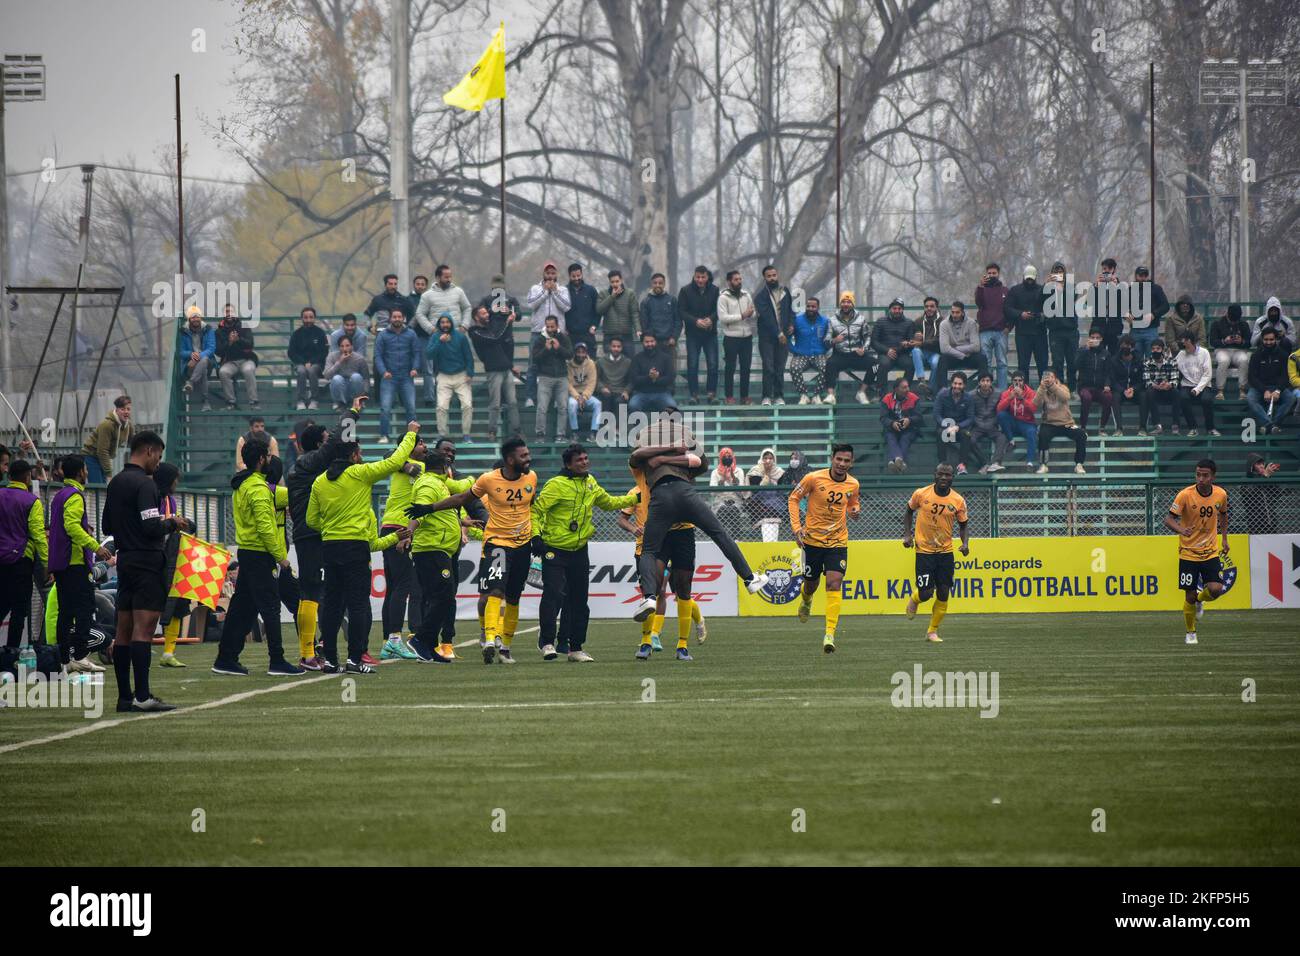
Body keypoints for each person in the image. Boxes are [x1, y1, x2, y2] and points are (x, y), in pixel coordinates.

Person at [628, 418, 768, 620]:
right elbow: (702, 463)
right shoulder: (683, 434)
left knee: (648, 550)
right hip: (685, 493)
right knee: (719, 534)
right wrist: (675, 449)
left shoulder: (645, 440)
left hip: (661, 497)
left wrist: (661, 458)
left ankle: (649, 597)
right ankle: (749, 578)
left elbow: (637, 456)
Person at [306, 423, 418, 673]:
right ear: (352, 455)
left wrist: (331, 528)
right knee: (357, 604)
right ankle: (355, 660)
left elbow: (312, 520)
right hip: (355, 548)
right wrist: (410, 433)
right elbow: (395, 462)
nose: (362, 456)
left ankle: (331, 660)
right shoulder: (360, 473)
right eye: (360, 452)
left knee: (333, 605)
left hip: (330, 547)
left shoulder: (319, 482)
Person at [420, 437, 538, 665]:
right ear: (510, 459)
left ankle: (505, 648)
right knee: (495, 592)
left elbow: (530, 508)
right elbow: (463, 499)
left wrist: (536, 534)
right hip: (497, 543)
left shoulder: (532, 478)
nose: (529, 458)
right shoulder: (488, 480)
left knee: (513, 598)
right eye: (523, 455)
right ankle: (490, 639)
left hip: (522, 546)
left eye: (528, 454)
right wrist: (429, 508)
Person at [100, 431, 192, 711]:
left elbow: (106, 526)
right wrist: (173, 522)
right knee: (145, 629)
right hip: (148, 562)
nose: (158, 463)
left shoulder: (116, 483)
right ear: (149, 451)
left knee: (124, 631)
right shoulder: (145, 485)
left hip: (126, 562)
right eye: (159, 456)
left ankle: (125, 697)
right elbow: (151, 527)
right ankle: (143, 696)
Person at [530, 443, 638, 662]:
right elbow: (536, 510)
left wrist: (636, 499)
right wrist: (536, 536)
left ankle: (575, 648)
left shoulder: (590, 482)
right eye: (580, 459)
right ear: (569, 463)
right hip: (554, 549)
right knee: (552, 595)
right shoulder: (555, 485)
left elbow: (608, 503)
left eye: (586, 458)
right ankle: (548, 643)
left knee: (579, 600)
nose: (585, 462)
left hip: (579, 550)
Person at [211, 439, 304, 676]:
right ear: (262, 459)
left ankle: (226, 658)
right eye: (269, 456)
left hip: (248, 553)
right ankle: (277, 660)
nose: (271, 459)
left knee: (242, 608)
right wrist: (281, 557)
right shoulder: (259, 489)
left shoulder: (243, 485)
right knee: (271, 607)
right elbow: (266, 529)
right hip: (260, 555)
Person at [286, 401, 364, 671]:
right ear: (318, 446)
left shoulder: (304, 467)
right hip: (311, 536)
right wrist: (352, 413)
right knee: (310, 591)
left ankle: (317, 647)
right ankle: (307, 654)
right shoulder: (310, 463)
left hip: (317, 536)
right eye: (324, 443)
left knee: (327, 592)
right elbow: (336, 441)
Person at [403, 442, 480, 663]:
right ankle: (420, 639)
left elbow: (460, 489)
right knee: (444, 596)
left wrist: (462, 520)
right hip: (431, 548)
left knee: (440, 596)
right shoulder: (428, 484)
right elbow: (419, 512)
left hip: (439, 548)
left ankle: (428, 646)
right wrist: (409, 533)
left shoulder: (439, 483)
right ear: (445, 468)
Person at [623, 452, 703, 658]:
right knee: (654, 586)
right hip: (658, 531)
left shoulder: (680, 468)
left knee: (683, 588)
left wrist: (672, 458)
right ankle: (646, 641)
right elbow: (635, 456)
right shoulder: (643, 472)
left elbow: (699, 461)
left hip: (683, 532)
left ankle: (682, 645)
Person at [789, 444, 860, 653]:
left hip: (838, 541)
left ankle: (829, 634)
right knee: (811, 585)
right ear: (832, 458)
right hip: (812, 541)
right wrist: (796, 528)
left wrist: (855, 510)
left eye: (847, 461)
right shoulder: (813, 478)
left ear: (851, 463)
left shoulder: (853, 484)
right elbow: (794, 498)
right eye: (839, 459)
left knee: (834, 582)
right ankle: (806, 599)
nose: (842, 464)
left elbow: (853, 502)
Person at [49, 455, 112, 672]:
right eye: (86, 469)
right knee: (85, 608)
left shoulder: (59, 496)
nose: (87, 472)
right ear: (80, 472)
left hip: (61, 564)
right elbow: (72, 526)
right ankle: (81, 655)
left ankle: (65, 660)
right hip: (74, 562)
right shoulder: (75, 496)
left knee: (66, 612)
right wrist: (96, 546)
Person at [1163, 459, 1229, 645]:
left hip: (1210, 551)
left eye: (1205, 475)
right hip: (1188, 552)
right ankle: (1190, 632)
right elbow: (1168, 520)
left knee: (1216, 589)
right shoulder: (1185, 495)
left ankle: (1201, 599)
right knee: (1189, 596)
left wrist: (1224, 539)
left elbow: (1223, 515)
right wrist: (1181, 530)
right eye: (1198, 474)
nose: (1201, 478)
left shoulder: (1221, 494)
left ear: (1213, 476)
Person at [903, 463, 969, 643]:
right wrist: (907, 535)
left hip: (945, 552)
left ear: (952, 477)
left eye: (948, 475)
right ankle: (915, 599)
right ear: (935, 475)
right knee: (926, 593)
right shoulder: (921, 494)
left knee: (944, 592)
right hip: (924, 551)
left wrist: (964, 543)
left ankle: (932, 632)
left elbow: (963, 525)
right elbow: (908, 512)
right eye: (941, 474)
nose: (944, 478)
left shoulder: (958, 500)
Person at [377, 437, 426, 662]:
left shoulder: (399, 465)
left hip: (387, 525)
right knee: (403, 585)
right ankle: (395, 639)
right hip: (401, 528)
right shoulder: (420, 468)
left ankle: (388, 641)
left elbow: (389, 456)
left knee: (393, 587)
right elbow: (389, 454)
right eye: (420, 443)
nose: (424, 447)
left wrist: (403, 464)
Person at [0, 459, 48, 657]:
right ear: (28, 477)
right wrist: (47, 563)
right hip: (21, 560)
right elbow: (38, 534)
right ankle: (11, 652)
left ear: (9, 476)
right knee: (20, 609)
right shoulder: (31, 501)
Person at [155, 462, 196, 667]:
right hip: (153, 559)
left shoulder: (170, 500)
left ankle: (169, 652)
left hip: (172, 559)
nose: (177, 483)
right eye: (175, 478)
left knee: (178, 602)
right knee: (152, 605)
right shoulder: (151, 497)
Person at [416, 265, 474, 405]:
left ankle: (463, 399)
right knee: (434, 368)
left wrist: (465, 325)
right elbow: (419, 314)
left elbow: (467, 308)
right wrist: (431, 329)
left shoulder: (458, 291)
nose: (449, 279)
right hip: (438, 337)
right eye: (445, 277)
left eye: (450, 276)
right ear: (438, 277)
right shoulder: (427, 295)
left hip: (457, 336)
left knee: (462, 363)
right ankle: (435, 400)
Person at [467, 303, 520, 443]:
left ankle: (517, 432)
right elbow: (496, 339)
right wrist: (508, 322)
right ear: (476, 317)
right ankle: (492, 431)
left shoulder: (491, 328)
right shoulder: (474, 332)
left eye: (486, 313)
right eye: (483, 314)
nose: (487, 315)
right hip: (493, 371)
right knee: (495, 403)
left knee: (513, 402)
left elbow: (504, 343)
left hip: (505, 369)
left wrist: (510, 365)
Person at [526, 262, 572, 406]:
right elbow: (531, 304)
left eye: (553, 273)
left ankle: (557, 399)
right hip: (538, 332)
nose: (550, 276)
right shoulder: (535, 288)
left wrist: (555, 292)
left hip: (558, 333)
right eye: (548, 273)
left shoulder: (563, 289)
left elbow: (566, 306)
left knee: (558, 364)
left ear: (556, 275)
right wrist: (545, 292)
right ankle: (530, 397)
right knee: (533, 365)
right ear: (544, 274)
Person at [374, 308, 420, 443]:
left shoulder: (411, 334)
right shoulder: (383, 335)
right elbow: (378, 356)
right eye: (394, 317)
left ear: (403, 318)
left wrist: (415, 368)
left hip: (406, 376)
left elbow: (416, 352)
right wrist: (383, 371)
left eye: (399, 317)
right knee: (385, 408)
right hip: (389, 377)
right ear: (390, 319)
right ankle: (384, 435)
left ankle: (412, 437)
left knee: (411, 407)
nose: (397, 319)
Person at [427, 314, 475, 443]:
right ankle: (442, 434)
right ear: (439, 324)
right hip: (443, 376)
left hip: (461, 375)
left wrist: (470, 373)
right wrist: (439, 341)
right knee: (441, 406)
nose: (445, 325)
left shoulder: (460, 336)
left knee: (467, 405)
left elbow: (468, 356)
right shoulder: (435, 336)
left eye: (447, 322)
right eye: (442, 322)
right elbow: (429, 354)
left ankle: (466, 435)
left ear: (451, 323)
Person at [754, 265, 795, 405]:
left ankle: (779, 396)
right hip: (767, 338)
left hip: (784, 338)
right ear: (764, 278)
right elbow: (767, 318)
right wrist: (778, 333)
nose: (772, 278)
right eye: (769, 276)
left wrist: (791, 324)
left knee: (779, 368)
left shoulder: (785, 291)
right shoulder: (760, 297)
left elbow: (791, 310)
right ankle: (766, 396)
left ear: (777, 275)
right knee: (768, 367)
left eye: (774, 275)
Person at [678, 266, 720, 402]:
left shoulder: (715, 290)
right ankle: (694, 394)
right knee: (693, 364)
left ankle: (711, 394)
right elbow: (681, 311)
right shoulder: (685, 291)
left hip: (710, 333)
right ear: (694, 276)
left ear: (707, 277)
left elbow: (718, 310)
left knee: (713, 364)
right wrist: (695, 321)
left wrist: (711, 319)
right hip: (692, 334)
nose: (700, 280)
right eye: (698, 277)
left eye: (703, 277)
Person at [1245, 327, 1296, 434]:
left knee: (1291, 398)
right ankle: (1271, 425)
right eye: (1266, 340)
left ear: (1276, 340)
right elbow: (1252, 377)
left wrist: (1278, 390)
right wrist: (1264, 390)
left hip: (1278, 387)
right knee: (1250, 398)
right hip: (1260, 388)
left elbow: (1286, 376)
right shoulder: (1256, 355)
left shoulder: (1283, 355)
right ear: (1262, 340)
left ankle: (1271, 424)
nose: (1268, 342)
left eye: (1271, 339)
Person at [825, 291, 873, 404]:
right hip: (840, 354)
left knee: (876, 365)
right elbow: (826, 341)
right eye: (843, 302)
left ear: (852, 304)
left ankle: (861, 392)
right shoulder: (832, 320)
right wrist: (835, 340)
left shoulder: (861, 319)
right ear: (840, 304)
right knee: (829, 364)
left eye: (848, 302)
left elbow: (868, 336)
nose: (846, 304)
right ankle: (831, 395)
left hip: (857, 354)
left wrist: (864, 349)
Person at [1036, 370, 1088, 474]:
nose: (1048, 379)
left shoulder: (1063, 388)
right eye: (1046, 377)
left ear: (1055, 379)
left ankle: (1079, 464)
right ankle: (1043, 464)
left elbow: (1065, 397)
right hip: (1049, 423)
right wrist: (1042, 388)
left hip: (1066, 423)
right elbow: (1036, 404)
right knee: (1042, 434)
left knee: (1081, 434)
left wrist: (1052, 386)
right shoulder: (1042, 390)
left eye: (1051, 377)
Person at [1004, 265, 1048, 383]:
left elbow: (1050, 309)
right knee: (1023, 365)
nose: (1029, 281)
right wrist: (1020, 314)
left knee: (1043, 365)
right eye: (1028, 278)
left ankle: (1044, 392)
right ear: (1023, 277)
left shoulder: (1042, 290)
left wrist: (1041, 315)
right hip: (1022, 334)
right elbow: (1007, 308)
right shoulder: (1015, 290)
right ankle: (1023, 392)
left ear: (1035, 277)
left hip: (1040, 333)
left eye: (1031, 279)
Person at [718, 270, 756, 404]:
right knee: (730, 368)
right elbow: (723, 318)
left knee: (746, 367)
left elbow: (753, 312)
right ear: (729, 281)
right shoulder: (723, 297)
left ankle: (744, 397)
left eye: (740, 279)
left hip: (747, 337)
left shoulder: (746, 295)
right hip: (731, 337)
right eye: (736, 279)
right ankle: (729, 397)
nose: (739, 281)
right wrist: (742, 316)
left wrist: (751, 314)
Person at [532, 314, 572, 441]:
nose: (550, 329)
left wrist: (558, 348)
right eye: (548, 326)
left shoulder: (564, 338)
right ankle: (540, 435)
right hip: (545, 377)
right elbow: (535, 359)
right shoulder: (540, 339)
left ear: (557, 326)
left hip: (561, 377)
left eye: (552, 326)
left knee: (563, 407)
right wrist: (546, 349)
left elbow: (570, 355)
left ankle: (560, 435)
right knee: (542, 407)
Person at [933, 372, 978, 474]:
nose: (957, 386)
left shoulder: (968, 398)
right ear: (951, 383)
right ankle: (942, 466)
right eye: (955, 383)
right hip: (945, 426)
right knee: (941, 433)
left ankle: (962, 466)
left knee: (966, 434)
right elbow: (936, 415)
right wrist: (947, 425)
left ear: (964, 385)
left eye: (960, 384)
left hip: (960, 428)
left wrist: (957, 426)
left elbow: (970, 418)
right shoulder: (942, 394)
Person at [870, 298, 917, 396]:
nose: (897, 311)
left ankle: (903, 392)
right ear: (890, 309)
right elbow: (873, 342)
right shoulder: (880, 321)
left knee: (911, 365)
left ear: (902, 310)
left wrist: (907, 344)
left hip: (902, 353)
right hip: (885, 353)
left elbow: (911, 342)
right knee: (883, 364)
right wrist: (887, 350)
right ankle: (883, 394)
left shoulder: (909, 323)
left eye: (899, 308)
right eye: (894, 308)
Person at [1044, 261, 1080, 389]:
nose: (1059, 275)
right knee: (1057, 362)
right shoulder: (1048, 288)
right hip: (1055, 331)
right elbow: (1039, 301)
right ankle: (1058, 388)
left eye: (1061, 272)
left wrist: (1062, 288)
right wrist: (1047, 285)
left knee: (1072, 362)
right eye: (1056, 272)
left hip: (1071, 330)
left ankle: (1072, 389)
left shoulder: (1071, 286)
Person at [81, 395, 132, 483]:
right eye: (123, 409)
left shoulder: (129, 425)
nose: (126, 412)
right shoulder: (107, 425)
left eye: (128, 409)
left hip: (104, 458)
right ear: (116, 410)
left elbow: (133, 442)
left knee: (104, 487)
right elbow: (102, 450)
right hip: (91, 456)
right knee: (98, 486)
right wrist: (109, 473)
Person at [935, 300, 988, 387]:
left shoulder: (971, 323)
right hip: (954, 356)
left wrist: (956, 348)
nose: (954, 315)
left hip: (969, 356)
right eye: (952, 312)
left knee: (982, 358)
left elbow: (976, 347)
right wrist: (961, 355)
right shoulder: (944, 324)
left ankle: (983, 388)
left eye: (957, 312)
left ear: (963, 313)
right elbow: (944, 348)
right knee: (942, 359)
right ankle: (942, 392)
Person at [788, 296, 831, 404]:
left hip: (819, 355)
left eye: (813, 306)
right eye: (808, 306)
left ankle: (817, 395)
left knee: (827, 367)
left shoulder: (825, 321)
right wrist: (793, 349)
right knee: (794, 367)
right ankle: (804, 395)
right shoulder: (797, 320)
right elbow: (787, 337)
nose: (810, 308)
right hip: (801, 355)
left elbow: (829, 338)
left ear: (818, 308)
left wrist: (825, 350)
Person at [1174, 331, 1216, 437]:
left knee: (1206, 400)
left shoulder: (1204, 352)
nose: (1181, 343)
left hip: (1204, 385)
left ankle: (1210, 428)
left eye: (1182, 341)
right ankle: (1193, 428)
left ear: (1189, 341)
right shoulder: (1181, 354)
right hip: (1187, 385)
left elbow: (1208, 374)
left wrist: (1197, 389)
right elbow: (1173, 366)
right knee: (1182, 397)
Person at [995, 371, 1040, 471]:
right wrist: (1010, 397)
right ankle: (1011, 440)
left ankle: (1029, 461)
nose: (1017, 383)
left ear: (1024, 382)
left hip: (1027, 423)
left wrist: (1022, 398)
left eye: (1020, 380)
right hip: (1013, 422)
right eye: (1015, 380)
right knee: (1001, 415)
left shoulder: (1031, 393)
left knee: (1032, 433)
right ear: (1012, 382)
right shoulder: (1007, 393)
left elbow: (1033, 409)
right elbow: (999, 409)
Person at [975, 263, 1010, 389]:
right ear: (986, 274)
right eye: (989, 273)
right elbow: (979, 303)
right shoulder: (981, 289)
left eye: (994, 273)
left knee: (1002, 362)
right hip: (985, 331)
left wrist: (1009, 327)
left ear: (998, 274)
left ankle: (1003, 390)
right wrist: (980, 286)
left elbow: (1009, 310)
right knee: (986, 363)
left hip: (1001, 331)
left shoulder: (1005, 290)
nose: (992, 275)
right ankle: (987, 389)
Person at [1123, 265, 1170, 357]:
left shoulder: (1156, 289)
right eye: (1140, 276)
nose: (1143, 278)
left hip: (1151, 329)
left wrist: (1153, 314)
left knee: (1153, 358)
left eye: (1145, 276)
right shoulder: (1130, 290)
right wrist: (1125, 314)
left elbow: (1165, 306)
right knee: (1135, 359)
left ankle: (1151, 372)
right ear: (1136, 276)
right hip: (1135, 330)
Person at [1075, 329, 1115, 433]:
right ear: (1089, 338)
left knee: (1109, 396)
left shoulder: (1106, 353)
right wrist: (1086, 350)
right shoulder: (1082, 350)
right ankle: (1083, 427)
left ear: (1101, 339)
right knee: (1087, 397)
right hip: (1084, 386)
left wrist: (1107, 385)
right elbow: (1076, 365)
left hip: (1100, 388)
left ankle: (1102, 427)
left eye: (1097, 338)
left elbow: (1109, 372)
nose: (1095, 340)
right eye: (1092, 337)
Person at [289, 306, 329, 410]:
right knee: (301, 371)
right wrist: (302, 362)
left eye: (311, 317)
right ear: (302, 318)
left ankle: (314, 400)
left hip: (317, 364)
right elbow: (291, 352)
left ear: (314, 318)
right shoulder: (296, 334)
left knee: (312, 371)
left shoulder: (320, 333)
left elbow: (324, 352)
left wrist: (311, 362)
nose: (308, 320)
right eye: (305, 317)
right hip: (300, 363)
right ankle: (300, 401)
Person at [177, 306, 216, 411]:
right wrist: (190, 354)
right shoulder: (183, 332)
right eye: (193, 317)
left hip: (206, 361)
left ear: (201, 318)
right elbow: (181, 352)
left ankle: (190, 382)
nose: (195, 319)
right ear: (189, 319)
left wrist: (199, 356)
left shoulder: (208, 329)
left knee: (203, 361)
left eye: (197, 317)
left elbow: (211, 348)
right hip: (189, 364)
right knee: (202, 369)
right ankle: (206, 402)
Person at [1209, 304, 1252, 399]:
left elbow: (1249, 342)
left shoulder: (1243, 324)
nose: (1233, 322)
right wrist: (1224, 341)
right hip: (1222, 349)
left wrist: (1241, 341)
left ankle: (1242, 389)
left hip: (1239, 350)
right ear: (1227, 314)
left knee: (1244, 360)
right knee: (1223, 361)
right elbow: (1212, 341)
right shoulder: (1217, 324)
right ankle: (1220, 390)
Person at [969, 372, 1010, 473]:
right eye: (983, 381)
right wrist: (976, 422)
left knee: (1002, 438)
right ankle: (984, 463)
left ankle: (995, 463)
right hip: (977, 426)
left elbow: (1002, 409)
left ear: (991, 382)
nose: (985, 383)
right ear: (979, 382)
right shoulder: (971, 395)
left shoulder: (999, 393)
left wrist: (995, 421)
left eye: (988, 381)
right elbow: (970, 412)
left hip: (992, 426)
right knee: (969, 439)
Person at [628, 331, 676, 415]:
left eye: (652, 341)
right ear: (642, 343)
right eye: (647, 342)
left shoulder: (666, 358)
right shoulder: (637, 358)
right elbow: (634, 379)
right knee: (632, 405)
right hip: (642, 393)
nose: (650, 344)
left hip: (662, 393)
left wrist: (656, 378)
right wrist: (649, 377)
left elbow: (670, 378)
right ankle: (641, 427)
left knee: (672, 407)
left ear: (656, 342)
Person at [217, 314, 259, 409]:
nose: (229, 314)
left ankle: (254, 402)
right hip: (230, 362)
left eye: (231, 311)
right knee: (223, 372)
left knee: (248, 370)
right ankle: (230, 402)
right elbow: (219, 351)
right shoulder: (219, 331)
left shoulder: (244, 327)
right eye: (227, 311)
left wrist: (238, 339)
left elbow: (250, 344)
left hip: (246, 359)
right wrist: (230, 342)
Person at [1139, 337, 1179, 435]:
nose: (1155, 351)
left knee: (1177, 392)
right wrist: (1157, 386)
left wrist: (1168, 385)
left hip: (1168, 390)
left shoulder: (1172, 361)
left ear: (1162, 349)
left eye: (1158, 349)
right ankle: (1157, 425)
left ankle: (1175, 425)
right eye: (1153, 349)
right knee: (1149, 392)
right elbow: (1147, 380)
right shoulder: (1147, 362)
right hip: (1155, 390)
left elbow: (1175, 379)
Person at [880, 377, 921, 474]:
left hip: (910, 428)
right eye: (904, 387)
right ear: (896, 389)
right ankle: (900, 462)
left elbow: (919, 417)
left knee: (905, 438)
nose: (908, 389)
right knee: (890, 437)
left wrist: (909, 420)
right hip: (892, 428)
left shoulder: (914, 398)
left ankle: (894, 460)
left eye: (907, 387)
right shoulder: (887, 399)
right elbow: (883, 418)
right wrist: (892, 423)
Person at [639, 272, 681, 365]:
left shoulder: (672, 300)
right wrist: (649, 340)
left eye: (660, 283)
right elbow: (643, 323)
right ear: (651, 284)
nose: (657, 285)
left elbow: (678, 321)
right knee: (653, 371)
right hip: (653, 344)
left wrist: (674, 337)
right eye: (655, 283)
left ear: (664, 284)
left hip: (669, 343)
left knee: (670, 372)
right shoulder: (645, 302)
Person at [1107, 335, 1144, 435]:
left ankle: (1143, 428)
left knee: (1144, 395)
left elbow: (1142, 380)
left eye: (1128, 346)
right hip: (1121, 390)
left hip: (1135, 390)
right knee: (1114, 397)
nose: (1125, 348)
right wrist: (1123, 390)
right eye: (1123, 346)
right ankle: (1119, 429)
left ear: (1132, 347)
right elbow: (1113, 380)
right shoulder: (1114, 361)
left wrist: (1133, 389)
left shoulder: (1139, 360)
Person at [1089, 257, 1124, 354]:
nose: (1106, 271)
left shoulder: (1120, 286)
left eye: (1109, 269)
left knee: (1114, 355)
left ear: (1113, 270)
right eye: (1104, 269)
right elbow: (1089, 303)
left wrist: (1116, 286)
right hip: (1099, 327)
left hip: (1114, 327)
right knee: (1098, 354)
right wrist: (1097, 287)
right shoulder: (1096, 285)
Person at [596, 269, 639, 348]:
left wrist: (638, 329)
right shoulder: (603, 293)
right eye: (612, 282)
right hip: (609, 334)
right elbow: (599, 310)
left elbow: (634, 313)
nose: (615, 284)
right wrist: (612, 296)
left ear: (621, 280)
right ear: (609, 282)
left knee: (629, 358)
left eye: (617, 281)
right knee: (609, 359)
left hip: (626, 334)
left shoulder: (630, 293)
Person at [566, 341, 601, 440]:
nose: (581, 355)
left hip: (586, 395)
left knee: (598, 404)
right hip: (574, 395)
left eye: (583, 352)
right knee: (572, 404)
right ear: (575, 352)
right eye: (578, 352)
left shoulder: (591, 364)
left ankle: (593, 432)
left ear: (586, 353)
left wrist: (584, 397)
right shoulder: (569, 364)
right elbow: (568, 384)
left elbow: (592, 383)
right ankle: (574, 432)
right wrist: (577, 397)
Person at [566, 262, 601, 355]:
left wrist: (594, 326)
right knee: (571, 362)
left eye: (578, 275)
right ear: (569, 276)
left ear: (582, 274)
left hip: (588, 334)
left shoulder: (591, 290)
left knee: (591, 361)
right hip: (570, 335)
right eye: (573, 276)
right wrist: (564, 328)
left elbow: (597, 310)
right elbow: (561, 311)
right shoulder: (564, 291)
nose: (577, 278)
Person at [325, 334, 369, 409]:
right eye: (342, 346)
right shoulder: (332, 356)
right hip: (339, 389)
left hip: (354, 389)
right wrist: (339, 362)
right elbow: (327, 376)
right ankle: (340, 403)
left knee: (356, 376)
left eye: (347, 345)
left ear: (352, 346)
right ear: (339, 347)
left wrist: (364, 394)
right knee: (336, 378)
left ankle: (358, 401)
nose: (345, 348)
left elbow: (365, 378)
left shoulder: (359, 359)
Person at [911, 296, 943, 391]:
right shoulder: (918, 321)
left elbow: (938, 340)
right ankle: (922, 380)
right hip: (922, 352)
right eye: (926, 306)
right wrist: (915, 337)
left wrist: (921, 342)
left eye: (932, 306)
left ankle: (930, 389)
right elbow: (914, 340)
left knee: (936, 363)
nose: (929, 308)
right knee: (915, 351)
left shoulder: (943, 322)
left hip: (936, 353)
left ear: (936, 308)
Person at [596, 336, 632, 413]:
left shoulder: (628, 362)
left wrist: (626, 391)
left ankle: (620, 425)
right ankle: (606, 424)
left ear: (622, 348)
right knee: (606, 397)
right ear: (610, 347)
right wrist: (602, 388)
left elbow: (631, 381)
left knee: (620, 401)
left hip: (620, 392)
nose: (616, 349)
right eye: (614, 346)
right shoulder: (601, 361)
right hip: (607, 391)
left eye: (618, 347)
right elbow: (597, 379)